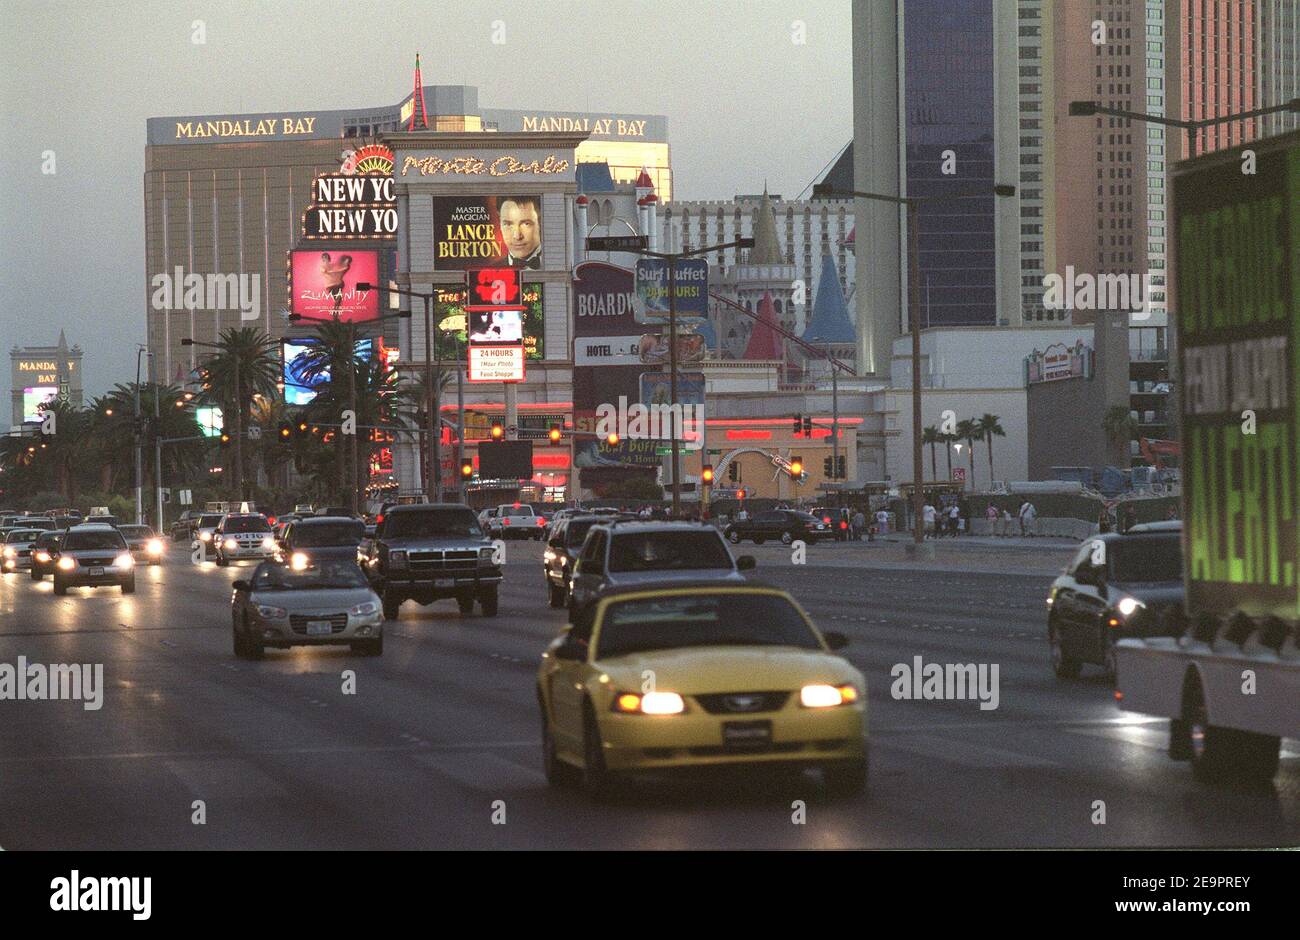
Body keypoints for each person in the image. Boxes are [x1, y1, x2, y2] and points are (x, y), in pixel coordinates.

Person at [498, 196, 542, 269]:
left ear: (540, 223)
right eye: (508, 224)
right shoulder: (492, 268)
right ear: (500, 225)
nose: (517, 236)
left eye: (526, 224)